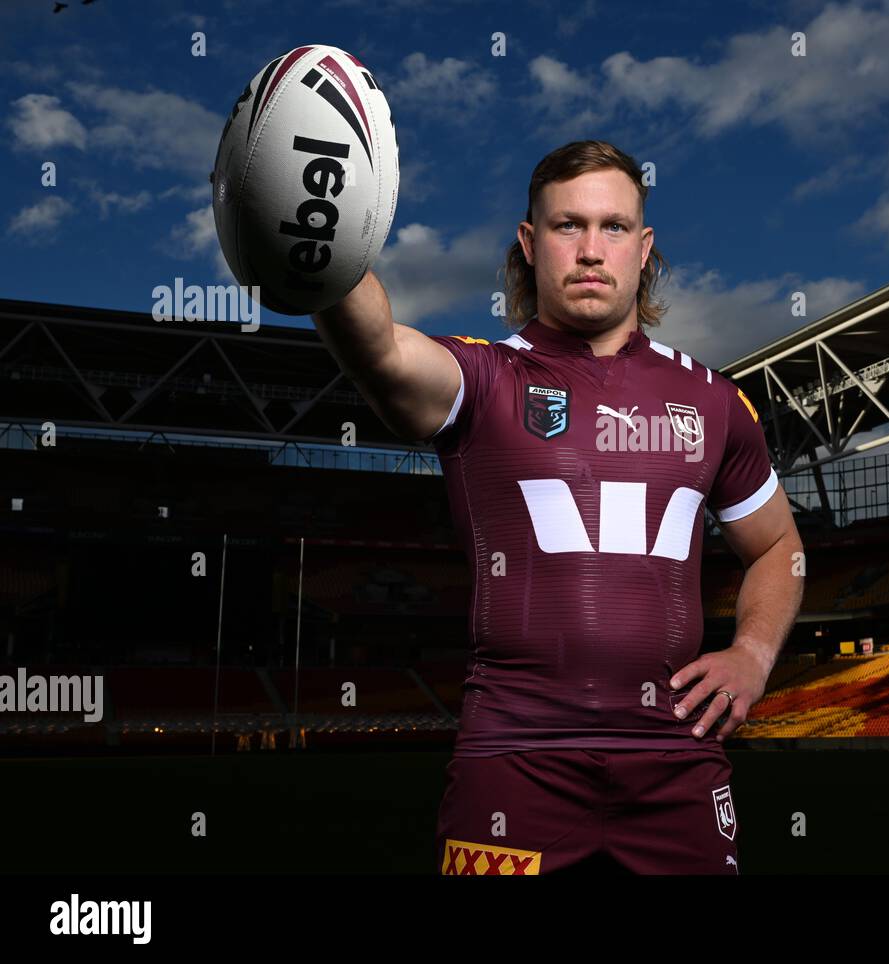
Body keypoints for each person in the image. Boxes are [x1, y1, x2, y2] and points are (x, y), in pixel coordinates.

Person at [312, 140, 803, 874]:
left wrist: (753, 654)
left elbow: (776, 546)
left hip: (677, 759)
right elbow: (380, 350)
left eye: (613, 228)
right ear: (529, 242)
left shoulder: (714, 400)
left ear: (644, 249)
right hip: (515, 760)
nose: (591, 250)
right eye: (568, 226)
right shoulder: (485, 378)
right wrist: (318, 239)